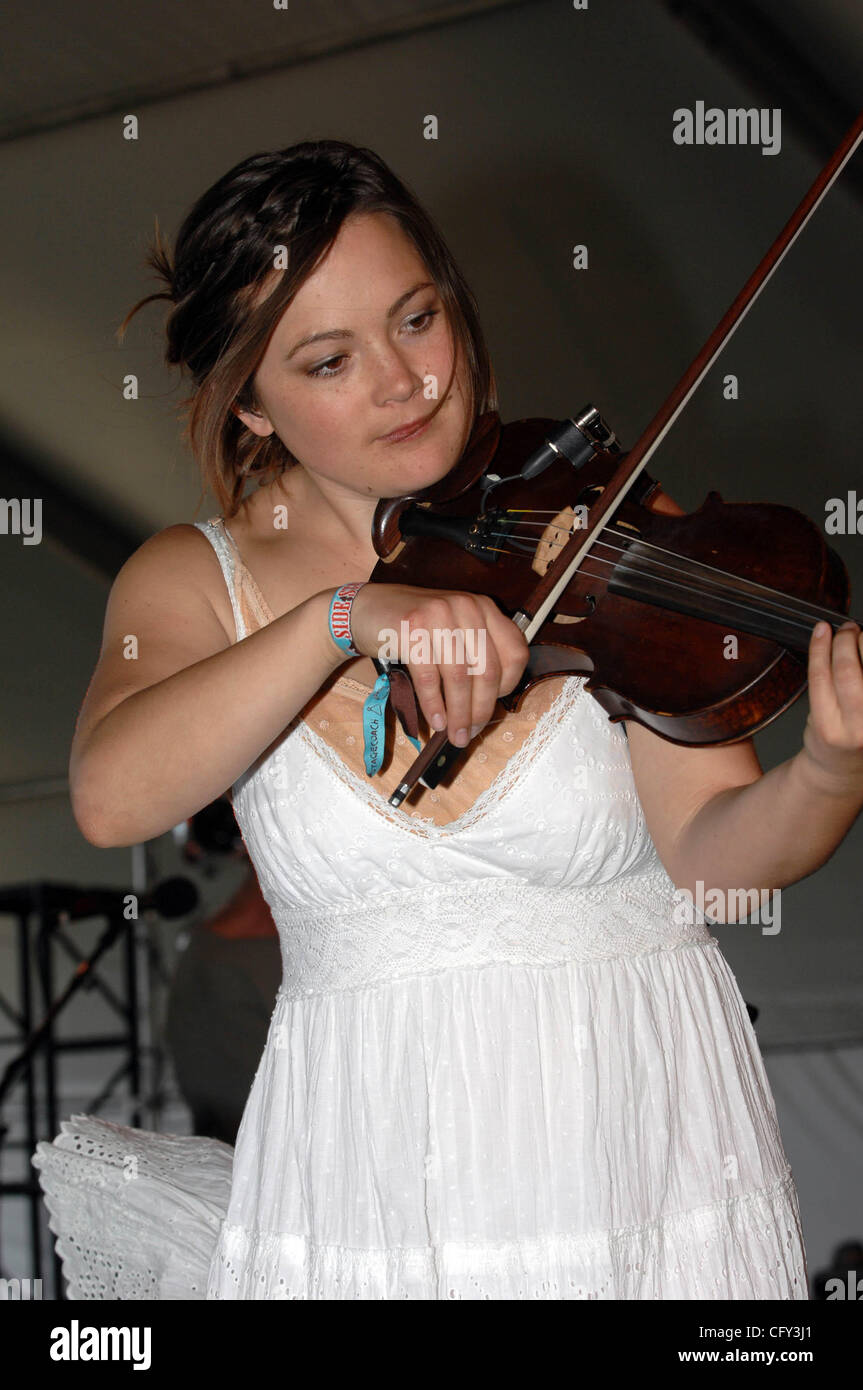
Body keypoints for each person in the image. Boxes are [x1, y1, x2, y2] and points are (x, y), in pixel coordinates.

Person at [32, 139, 863, 1300]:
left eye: (417, 320)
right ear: (253, 408)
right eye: (328, 360)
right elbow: (113, 791)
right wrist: (342, 614)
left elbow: (715, 853)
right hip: (374, 1182)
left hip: (638, 1150)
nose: (405, 380)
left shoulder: (596, 520)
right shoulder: (189, 580)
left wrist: (825, 771)